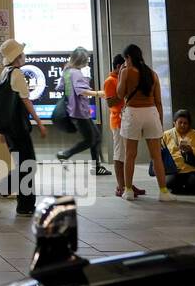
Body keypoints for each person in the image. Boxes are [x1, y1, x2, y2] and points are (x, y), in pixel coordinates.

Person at [0, 39, 47, 216]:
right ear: (17, 56)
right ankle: (0, 189)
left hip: (11, 130)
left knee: (25, 165)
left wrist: (2, 131)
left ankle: (25, 206)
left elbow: (1, 105)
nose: (24, 56)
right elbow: (25, 101)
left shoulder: (4, 73)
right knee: (28, 166)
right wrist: (40, 122)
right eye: (21, 53)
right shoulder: (17, 74)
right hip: (19, 129)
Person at [116, 43, 171, 201]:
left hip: (133, 113)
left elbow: (120, 94)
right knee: (156, 156)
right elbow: (159, 101)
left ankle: (128, 190)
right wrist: (159, 122)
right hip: (152, 113)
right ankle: (163, 192)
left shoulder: (126, 72)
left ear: (128, 57)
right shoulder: (152, 74)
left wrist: (120, 74)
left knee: (130, 155)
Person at [55, 47, 108, 175]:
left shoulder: (67, 71)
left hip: (75, 111)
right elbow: (81, 91)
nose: (87, 62)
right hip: (80, 112)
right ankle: (65, 154)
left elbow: (59, 87)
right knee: (90, 139)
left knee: (96, 137)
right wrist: (99, 93)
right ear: (80, 60)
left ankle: (96, 167)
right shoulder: (76, 73)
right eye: (86, 60)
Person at [100, 53, 144, 198]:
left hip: (127, 120)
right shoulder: (110, 81)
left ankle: (128, 184)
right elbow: (109, 102)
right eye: (125, 67)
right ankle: (121, 186)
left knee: (128, 155)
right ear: (119, 66)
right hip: (118, 122)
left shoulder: (121, 79)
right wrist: (122, 92)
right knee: (119, 155)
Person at [162, 109, 195, 195]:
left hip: (193, 169)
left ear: (189, 124)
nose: (183, 125)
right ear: (174, 123)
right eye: (180, 122)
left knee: (194, 185)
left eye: (185, 123)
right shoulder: (166, 135)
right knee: (170, 183)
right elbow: (160, 152)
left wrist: (192, 150)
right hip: (175, 170)